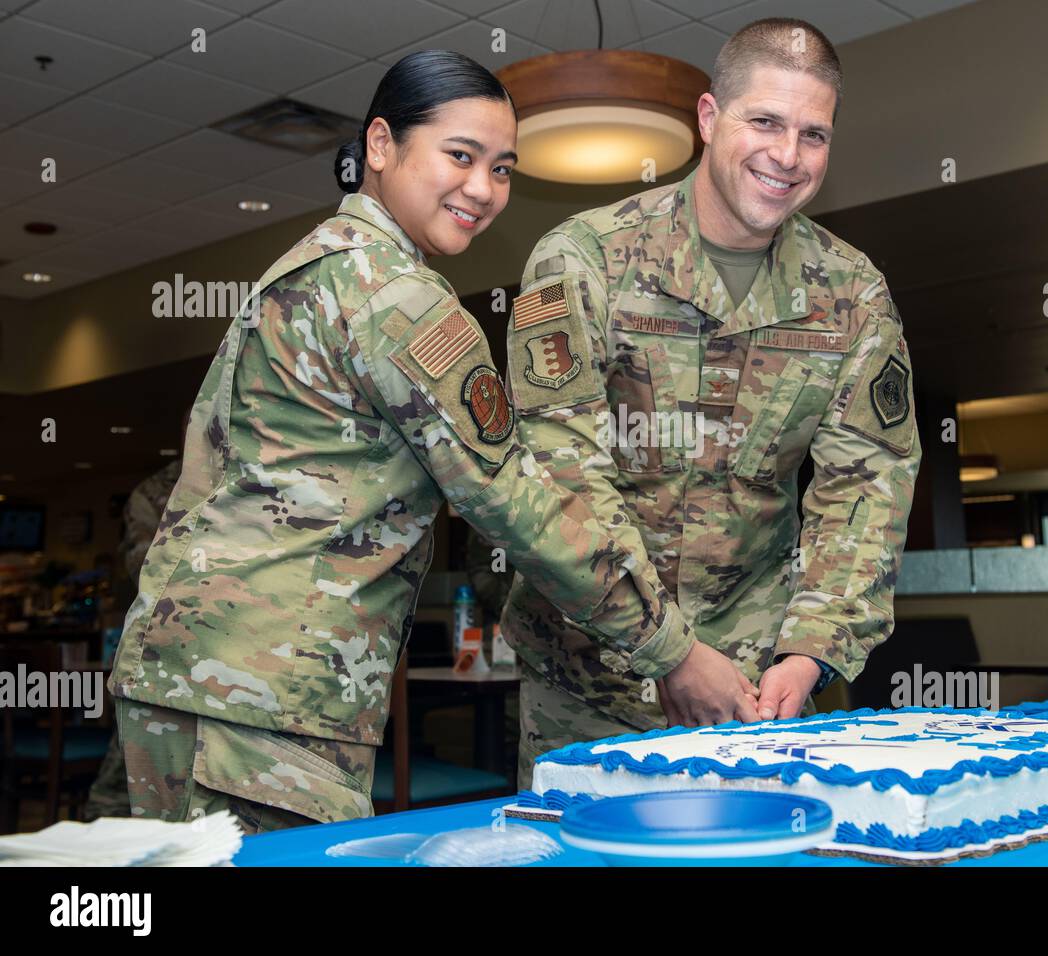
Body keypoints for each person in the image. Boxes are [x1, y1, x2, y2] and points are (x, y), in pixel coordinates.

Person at [107, 51, 702, 835]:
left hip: (201, 672)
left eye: (503, 168)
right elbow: (513, 502)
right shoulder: (397, 296)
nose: (484, 189)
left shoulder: (311, 267)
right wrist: (675, 652)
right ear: (381, 145)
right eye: (460, 156)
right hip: (262, 693)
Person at [504, 18, 921, 787]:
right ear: (707, 118)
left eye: (814, 134)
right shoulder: (583, 258)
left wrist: (812, 650)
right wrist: (668, 651)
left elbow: (867, 485)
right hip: (590, 685)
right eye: (764, 121)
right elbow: (557, 480)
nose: (787, 157)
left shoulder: (852, 292)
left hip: (760, 695)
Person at [83, 457, 182, 821]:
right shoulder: (156, 491)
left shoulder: (257, 463)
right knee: (128, 768)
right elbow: (143, 566)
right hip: (160, 646)